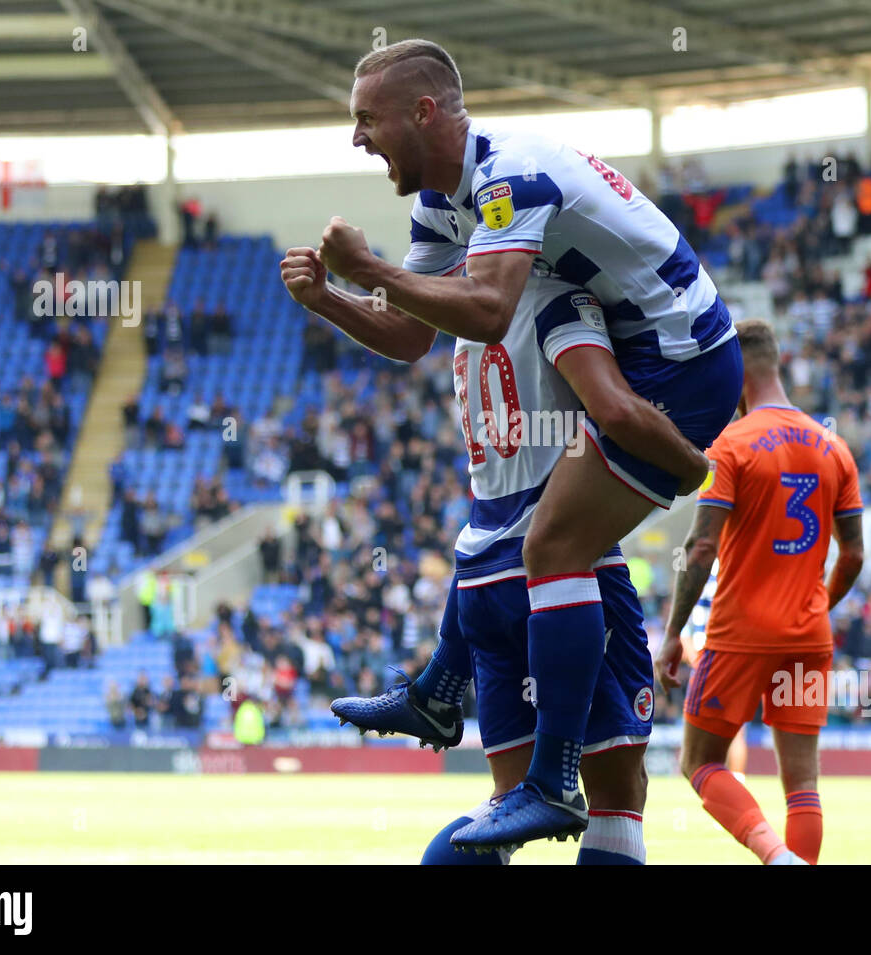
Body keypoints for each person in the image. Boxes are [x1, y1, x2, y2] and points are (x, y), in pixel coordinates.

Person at [285, 37, 741, 849]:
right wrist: (330, 298)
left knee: (551, 542)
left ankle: (546, 775)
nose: (357, 138)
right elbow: (409, 336)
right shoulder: (445, 201)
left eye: (366, 120)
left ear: (423, 112)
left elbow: (490, 309)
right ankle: (446, 693)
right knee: (520, 533)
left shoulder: (510, 175)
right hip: (620, 353)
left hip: (682, 357)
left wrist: (374, 267)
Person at [312, 267, 655, 863]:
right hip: (568, 578)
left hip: (482, 575)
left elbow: (404, 337)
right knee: (616, 799)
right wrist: (682, 454)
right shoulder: (556, 299)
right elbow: (615, 410)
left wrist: (325, 295)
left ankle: (434, 693)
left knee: (502, 801)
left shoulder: (466, 326)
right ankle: (437, 698)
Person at [657, 320, 865, 865]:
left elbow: (701, 549)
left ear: (737, 370)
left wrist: (674, 633)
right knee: (802, 785)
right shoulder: (834, 447)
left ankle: (776, 857)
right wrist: (819, 602)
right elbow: (856, 555)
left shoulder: (729, 445)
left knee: (699, 761)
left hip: (740, 632)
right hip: (808, 634)